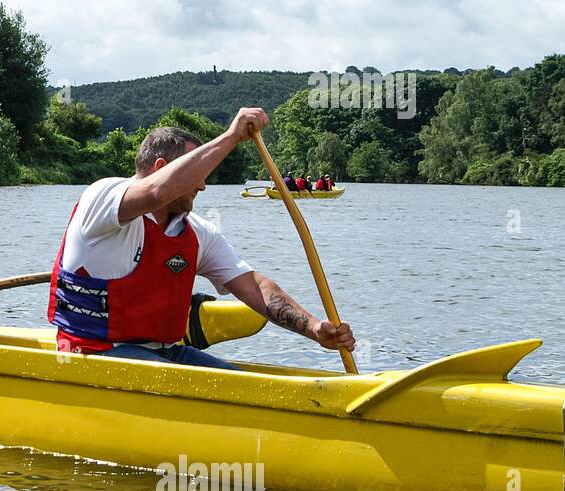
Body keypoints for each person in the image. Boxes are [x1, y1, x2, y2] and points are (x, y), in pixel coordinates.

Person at [48, 109, 356, 369]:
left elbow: (255, 286)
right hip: (94, 355)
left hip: (165, 351)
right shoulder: (103, 198)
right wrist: (231, 137)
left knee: (246, 388)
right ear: (161, 169)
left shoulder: (197, 232)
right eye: (198, 173)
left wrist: (315, 328)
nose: (203, 186)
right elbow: (156, 192)